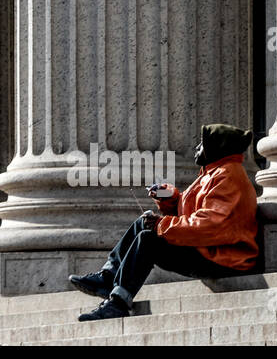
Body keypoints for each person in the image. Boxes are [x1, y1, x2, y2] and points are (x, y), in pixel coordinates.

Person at [69, 123, 260, 321]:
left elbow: (211, 224)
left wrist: (162, 225)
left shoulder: (228, 176)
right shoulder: (213, 173)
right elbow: (188, 209)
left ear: (217, 147)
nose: (197, 148)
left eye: (202, 144)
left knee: (148, 240)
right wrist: (167, 196)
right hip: (209, 250)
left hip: (225, 259)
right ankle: (108, 277)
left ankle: (118, 302)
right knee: (143, 224)